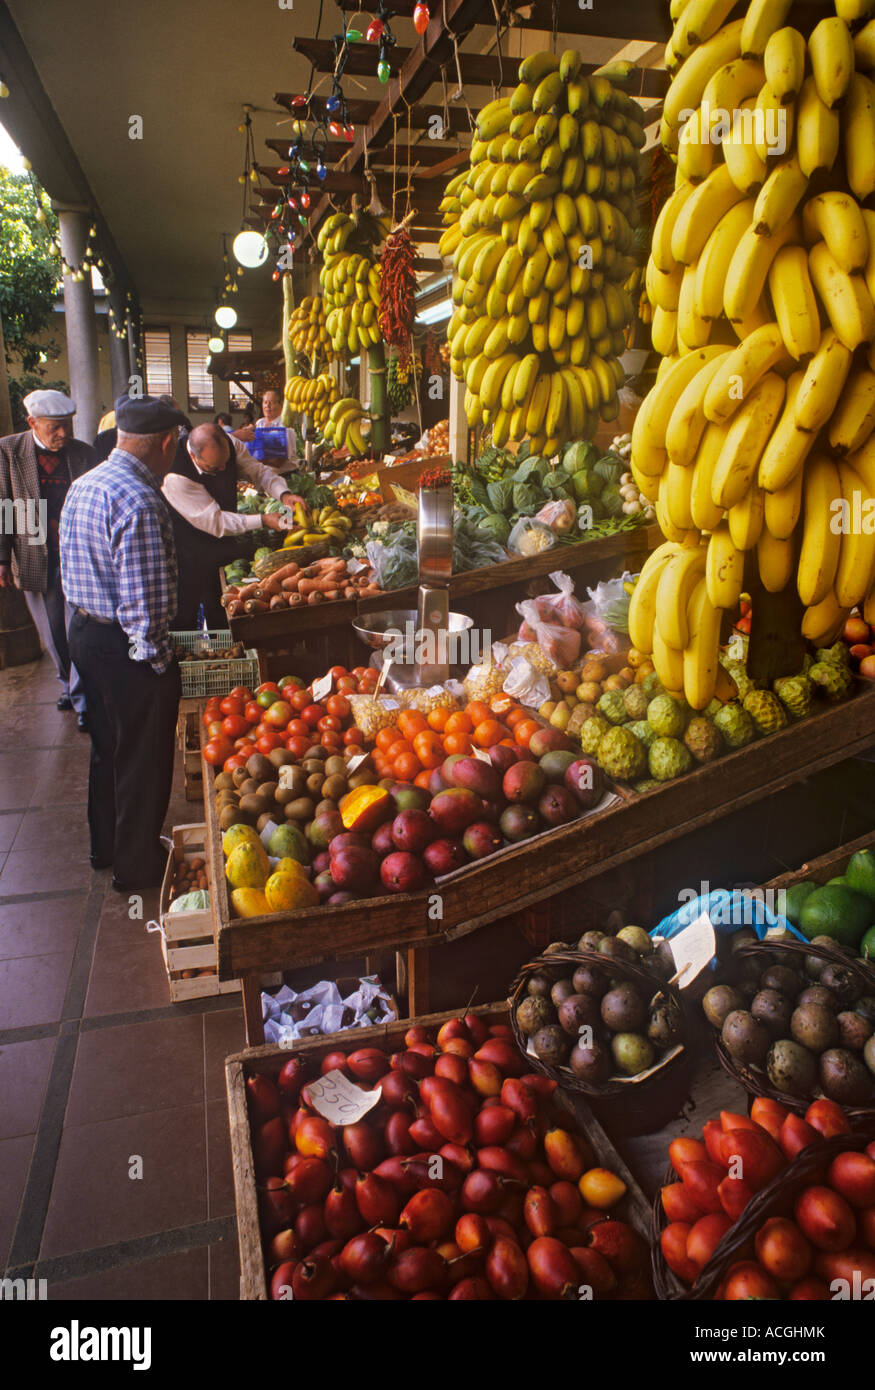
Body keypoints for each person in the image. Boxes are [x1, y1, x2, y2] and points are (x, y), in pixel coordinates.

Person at [60, 393, 187, 891]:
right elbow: (144, 604)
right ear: (165, 441)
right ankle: (136, 868)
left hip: (85, 632)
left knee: (107, 746)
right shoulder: (139, 498)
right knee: (142, 754)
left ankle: (105, 847)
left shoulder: (85, 483)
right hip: (125, 646)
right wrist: (157, 665)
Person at [0, 389, 95, 728]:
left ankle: (83, 699)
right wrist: (2, 558)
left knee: (76, 628)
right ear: (32, 423)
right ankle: (68, 685)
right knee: (52, 631)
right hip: (34, 551)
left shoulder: (83, 454)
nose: (63, 434)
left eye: (66, 426)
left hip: (77, 553)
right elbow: (5, 508)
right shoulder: (10, 451)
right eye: (54, 427)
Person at [161, 422, 305, 627]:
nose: (223, 469)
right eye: (214, 467)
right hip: (188, 548)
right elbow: (216, 521)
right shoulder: (175, 475)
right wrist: (263, 520)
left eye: (225, 462)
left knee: (223, 608)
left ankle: (227, 643)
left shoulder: (232, 444)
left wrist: (284, 494)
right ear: (194, 457)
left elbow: (258, 472)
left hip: (223, 542)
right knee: (186, 612)